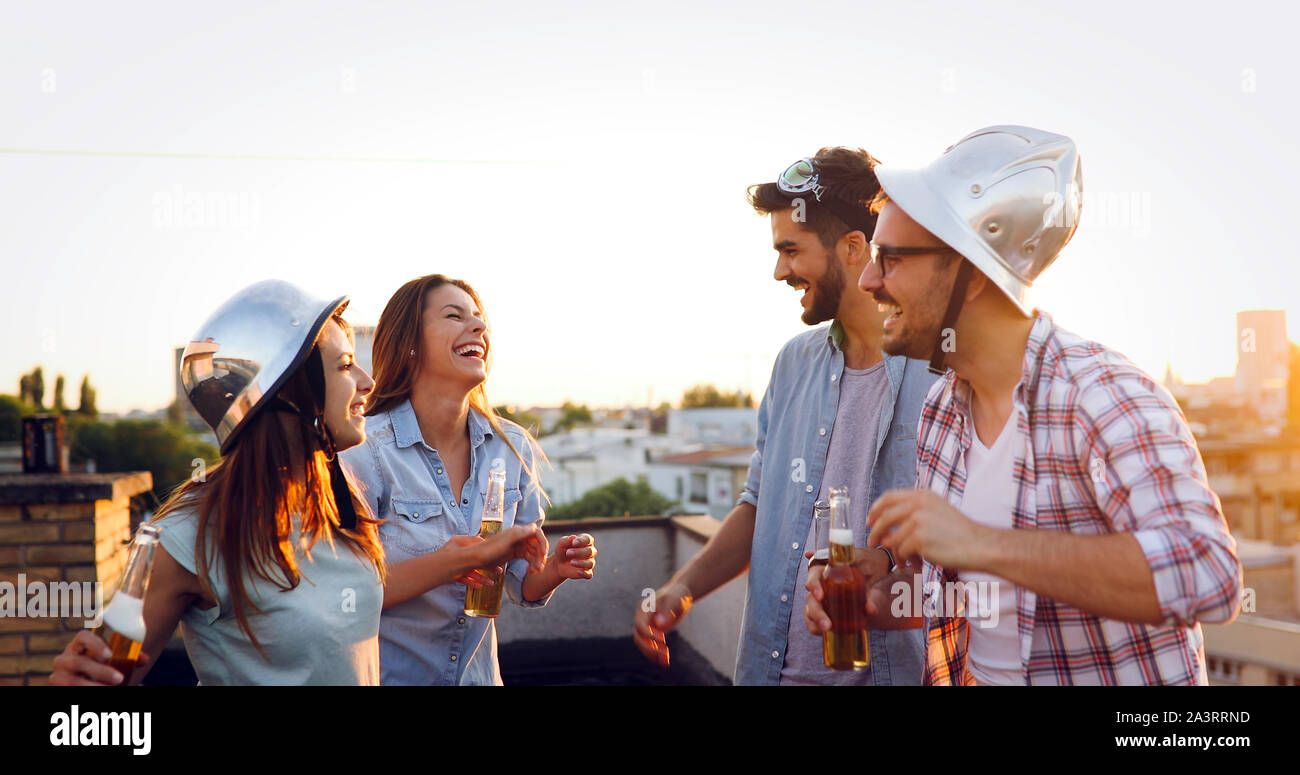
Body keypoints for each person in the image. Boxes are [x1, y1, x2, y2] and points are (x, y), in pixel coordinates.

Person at [807, 125, 1243, 684]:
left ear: (975, 270)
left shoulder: (1102, 393)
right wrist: (869, 598)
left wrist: (981, 542)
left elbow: (1209, 574)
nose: (867, 280)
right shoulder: (942, 411)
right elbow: (971, 600)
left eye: (890, 259)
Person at [49, 279, 542, 686]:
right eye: (346, 366)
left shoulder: (340, 506)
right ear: (289, 390)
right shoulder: (188, 535)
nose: (368, 383)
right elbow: (102, 685)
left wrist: (468, 558)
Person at [633, 148, 938, 685]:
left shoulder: (941, 373)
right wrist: (682, 589)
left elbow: (972, 550)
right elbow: (759, 504)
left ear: (852, 247)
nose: (780, 271)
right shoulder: (793, 363)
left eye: (791, 251)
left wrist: (888, 565)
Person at [340, 273, 597, 686]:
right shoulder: (364, 451)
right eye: (454, 316)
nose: (477, 326)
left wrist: (551, 570)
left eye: (479, 318)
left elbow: (519, 585)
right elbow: (346, 597)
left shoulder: (513, 447)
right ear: (409, 343)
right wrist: (459, 562)